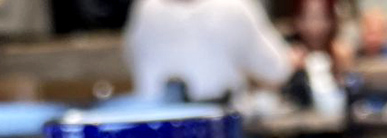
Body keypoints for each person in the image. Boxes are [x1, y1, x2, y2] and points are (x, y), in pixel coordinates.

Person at [124, 0, 295, 103]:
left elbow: (131, 59)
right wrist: (294, 59)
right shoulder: (234, 6)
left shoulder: (144, 7)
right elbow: (278, 71)